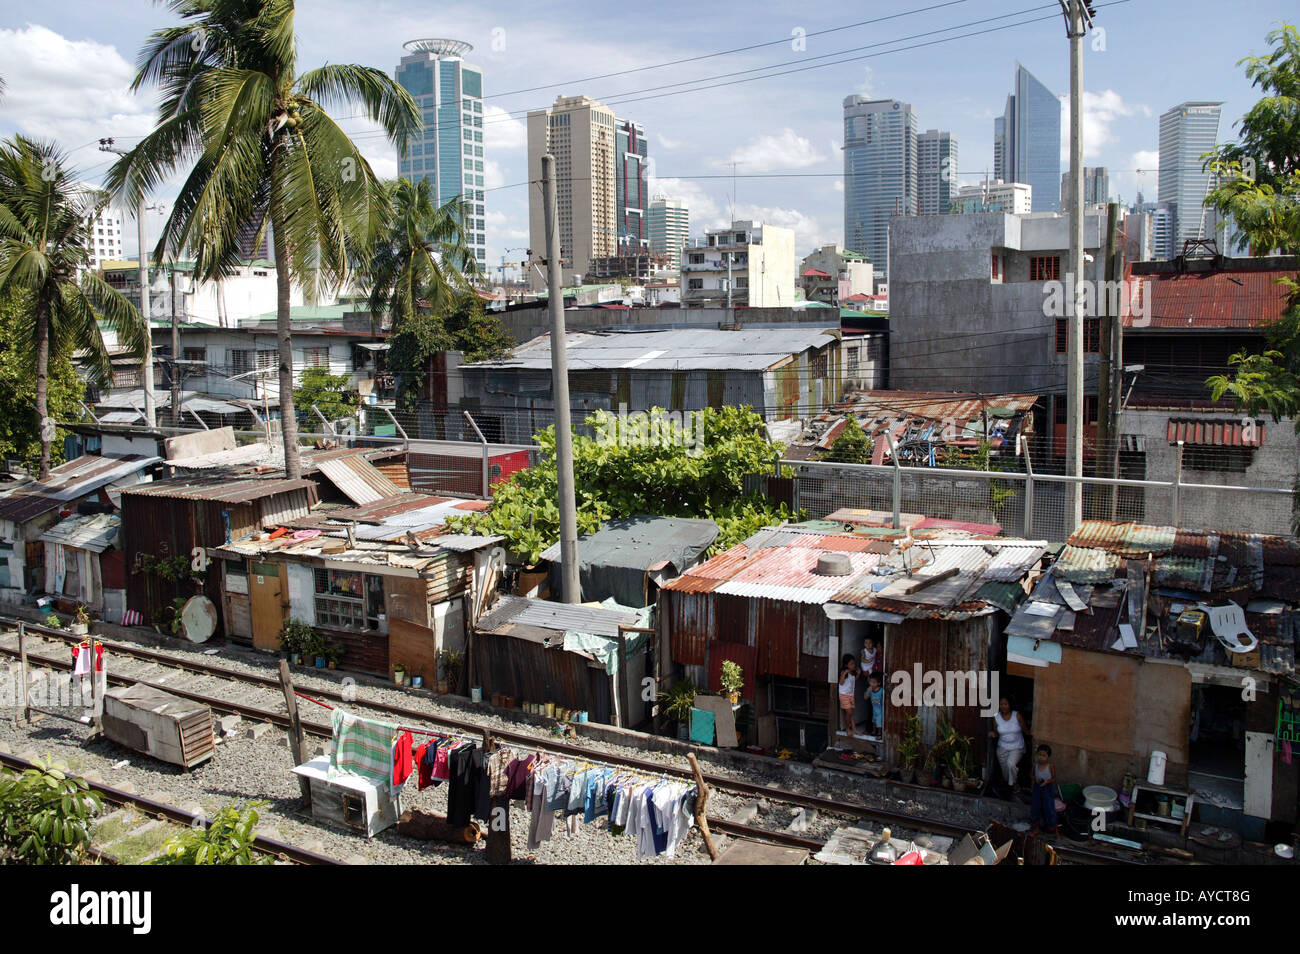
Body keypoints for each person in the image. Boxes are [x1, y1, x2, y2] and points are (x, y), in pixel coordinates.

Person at [988, 696, 1028, 794]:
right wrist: (993, 734)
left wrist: (1031, 736)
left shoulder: (1016, 715)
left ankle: (1013, 786)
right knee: (1005, 771)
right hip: (1002, 748)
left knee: (1011, 764)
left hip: (1017, 747)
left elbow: (1025, 729)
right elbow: (996, 732)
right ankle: (1013, 784)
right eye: (1001, 704)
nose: (1003, 706)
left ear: (1010, 705)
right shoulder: (996, 717)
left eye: (1005, 704)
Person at [1030, 744, 1058, 834]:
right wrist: (1035, 779)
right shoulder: (1035, 765)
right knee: (1035, 806)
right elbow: (1031, 775)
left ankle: (1051, 827)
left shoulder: (1050, 766)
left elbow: (1054, 778)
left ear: (1048, 757)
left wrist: (1047, 781)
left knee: (1049, 807)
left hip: (1047, 788)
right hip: (1038, 787)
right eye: (1039, 755)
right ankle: (1035, 826)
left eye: (1043, 755)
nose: (1041, 757)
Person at [837, 655, 858, 736]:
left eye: (854, 664)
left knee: (851, 713)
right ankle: (847, 728)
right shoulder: (844, 672)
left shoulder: (853, 673)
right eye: (851, 664)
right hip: (844, 695)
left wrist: (858, 674)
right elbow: (841, 683)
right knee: (849, 712)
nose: (853, 665)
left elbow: (853, 681)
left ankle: (854, 729)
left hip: (850, 695)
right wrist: (844, 674)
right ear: (846, 665)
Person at [866, 673, 885, 740]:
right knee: (874, 721)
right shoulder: (870, 690)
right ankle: (874, 731)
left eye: (874, 682)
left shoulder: (881, 690)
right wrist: (868, 691)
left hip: (880, 710)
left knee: (879, 721)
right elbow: (865, 697)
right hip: (874, 709)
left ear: (879, 683)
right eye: (870, 682)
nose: (871, 684)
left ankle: (879, 733)